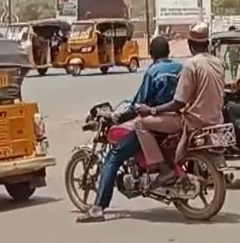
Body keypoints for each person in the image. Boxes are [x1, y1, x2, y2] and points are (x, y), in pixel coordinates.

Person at [77, 36, 183, 223]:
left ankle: (98, 207)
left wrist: (118, 117)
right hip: (176, 120)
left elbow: (139, 104)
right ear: (168, 51)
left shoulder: (153, 71)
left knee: (113, 157)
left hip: (155, 122)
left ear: (151, 54)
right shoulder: (179, 68)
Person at [133, 22, 225, 187]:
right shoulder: (218, 63)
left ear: (190, 44)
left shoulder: (191, 65)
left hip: (193, 122)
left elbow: (178, 102)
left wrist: (152, 110)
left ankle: (164, 170)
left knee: (140, 123)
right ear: (207, 43)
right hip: (216, 119)